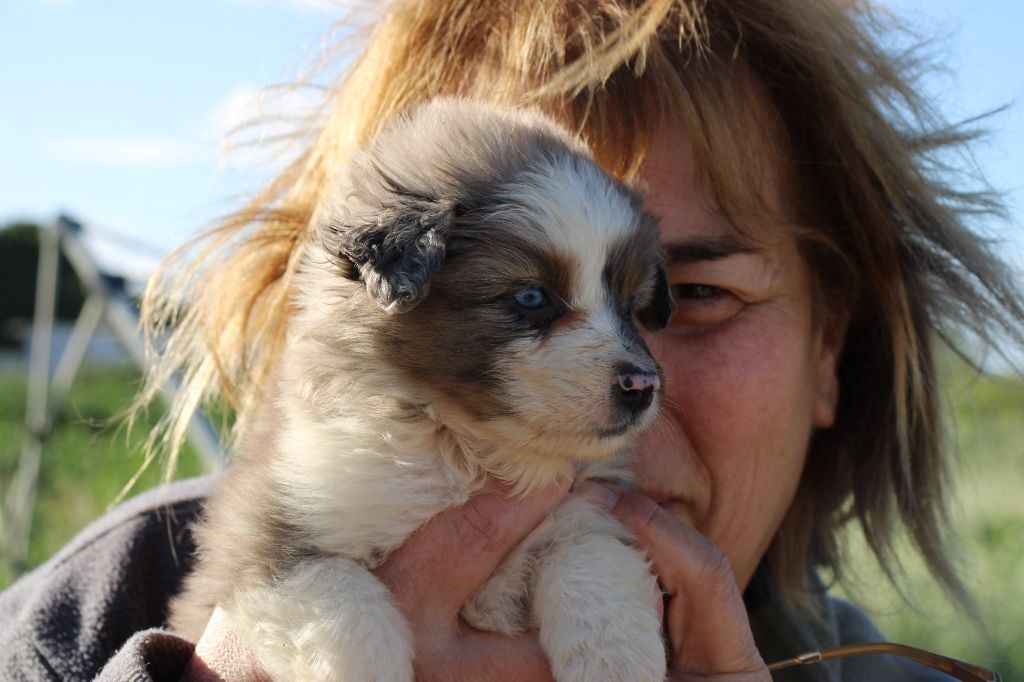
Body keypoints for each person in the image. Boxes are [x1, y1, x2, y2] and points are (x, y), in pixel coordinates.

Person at [1, 0, 1020, 680]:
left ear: (830, 352)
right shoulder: (82, 625)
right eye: (530, 301)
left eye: (688, 296)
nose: (639, 373)